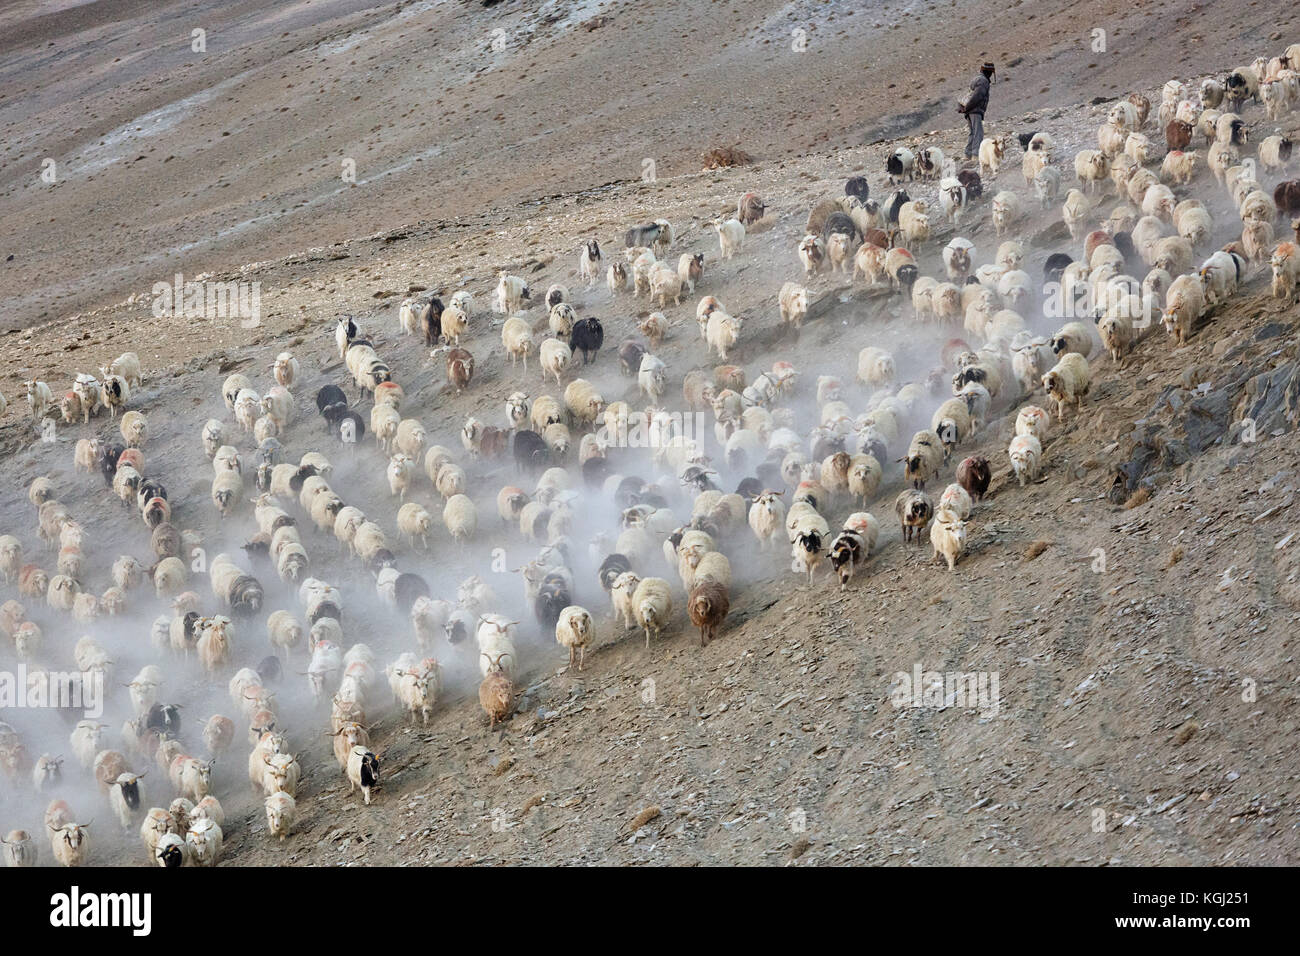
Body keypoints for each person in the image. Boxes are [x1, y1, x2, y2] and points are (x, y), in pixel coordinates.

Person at [958, 62, 995, 160]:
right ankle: (975, 155)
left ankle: (967, 154)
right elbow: (977, 96)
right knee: (978, 132)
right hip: (974, 110)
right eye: (990, 72)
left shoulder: (976, 79)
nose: (991, 74)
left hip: (969, 110)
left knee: (972, 132)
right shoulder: (983, 81)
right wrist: (968, 107)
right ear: (988, 72)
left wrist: (965, 108)